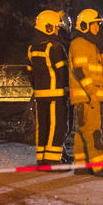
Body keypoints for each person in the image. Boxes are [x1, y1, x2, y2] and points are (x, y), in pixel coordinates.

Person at [68, 8, 103, 176]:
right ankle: (99, 167)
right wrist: (93, 94)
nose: (97, 28)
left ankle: (81, 165)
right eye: (95, 25)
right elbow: (81, 72)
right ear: (85, 25)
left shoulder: (88, 44)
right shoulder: (81, 44)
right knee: (94, 132)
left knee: (81, 132)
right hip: (87, 97)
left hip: (83, 96)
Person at [26, 9, 69, 165]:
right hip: (56, 95)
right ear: (49, 27)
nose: (58, 30)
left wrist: (38, 87)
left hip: (40, 94)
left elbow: (29, 73)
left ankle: (42, 158)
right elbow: (63, 72)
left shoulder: (32, 48)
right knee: (57, 127)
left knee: (42, 126)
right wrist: (66, 90)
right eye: (57, 27)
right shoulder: (56, 47)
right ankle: (52, 160)